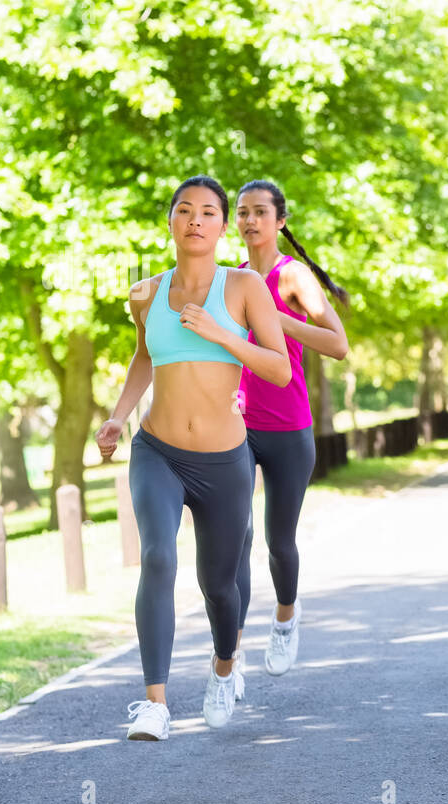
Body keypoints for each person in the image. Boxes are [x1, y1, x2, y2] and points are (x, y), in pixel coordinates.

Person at [96, 175, 291, 741]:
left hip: (224, 460)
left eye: (209, 212)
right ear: (171, 222)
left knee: (219, 586)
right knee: (157, 557)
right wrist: (117, 414)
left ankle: (224, 668)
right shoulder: (145, 292)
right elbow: (143, 358)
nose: (196, 220)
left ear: (224, 226)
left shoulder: (246, 287)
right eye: (185, 210)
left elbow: (278, 368)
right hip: (156, 451)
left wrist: (221, 334)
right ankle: (154, 702)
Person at [228, 179, 350, 700]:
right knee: (233, 540)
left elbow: (338, 344)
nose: (250, 221)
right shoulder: (227, 279)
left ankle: (284, 618)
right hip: (234, 427)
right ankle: (228, 654)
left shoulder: (292, 276)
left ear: (279, 221)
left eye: (260, 212)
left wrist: (279, 319)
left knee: (279, 542)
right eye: (242, 212)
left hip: (288, 425)